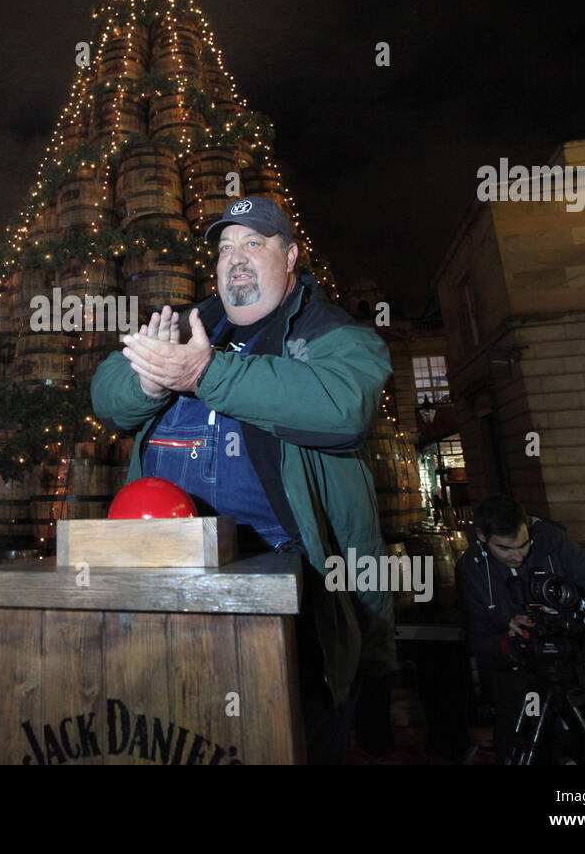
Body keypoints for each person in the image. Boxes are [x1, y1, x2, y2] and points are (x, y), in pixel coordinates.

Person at [90, 197, 394, 764]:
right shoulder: (189, 325)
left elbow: (344, 406)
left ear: (292, 256)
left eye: (254, 243)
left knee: (278, 743)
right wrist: (149, 383)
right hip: (160, 593)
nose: (235, 257)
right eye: (226, 246)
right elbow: (107, 394)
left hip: (288, 600)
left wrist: (205, 373)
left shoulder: (329, 333)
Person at [454, 494, 585, 763]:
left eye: (524, 544)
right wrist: (510, 642)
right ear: (482, 536)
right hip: (523, 690)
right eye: (505, 549)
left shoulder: (556, 544)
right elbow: (478, 640)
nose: (517, 555)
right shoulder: (471, 569)